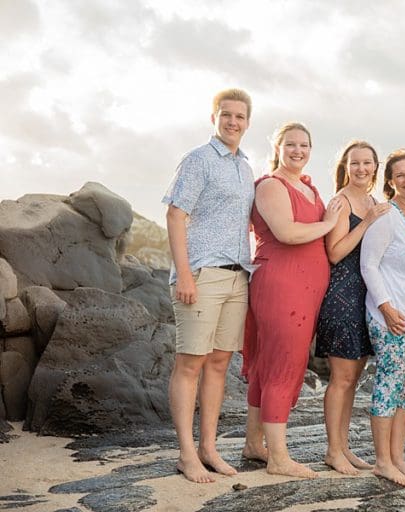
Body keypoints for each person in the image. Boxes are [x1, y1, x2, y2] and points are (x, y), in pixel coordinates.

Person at [240, 122, 344, 479]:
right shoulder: (272, 185)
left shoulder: (309, 188)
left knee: (268, 365)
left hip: (306, 290)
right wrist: (329, 224)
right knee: (285, 366)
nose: (298, 150)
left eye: (304, 145)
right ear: (278, 147)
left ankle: (255, 443)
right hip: (281, 285)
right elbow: (286, 232)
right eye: (291, 144)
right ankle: (279, 459)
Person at [162, 88, 254, 483]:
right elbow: (175, 215)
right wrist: (184, 274)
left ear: (248, 122)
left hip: (238, 276)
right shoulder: (198, 160)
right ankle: (186, 454)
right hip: (202, 274)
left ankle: (209, 448)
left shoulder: (246, 167)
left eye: (240, 116)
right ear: (214, 118)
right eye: (226, 115)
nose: (233, 122)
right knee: (190, 364)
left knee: (219, 364)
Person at [315, 141, 390, 475]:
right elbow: (335, 252)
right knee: (341, 379)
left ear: (376, 167)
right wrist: (368, 220)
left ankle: (344, 447)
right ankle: (333, 450)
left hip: (366, 298)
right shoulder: (341, 202)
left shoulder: (373, 201)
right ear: (345, 166)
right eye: (355, 163)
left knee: (353, 378)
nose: (361, 168)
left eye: (367, 163)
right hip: (342, 297)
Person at [360, 149, 405, 487]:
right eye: (399, 175)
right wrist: (386, 307)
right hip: (389, 312)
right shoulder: (386, 215)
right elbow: (368, 264)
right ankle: (383, 461)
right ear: (390, 181)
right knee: (389, 382)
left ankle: (398, 456)